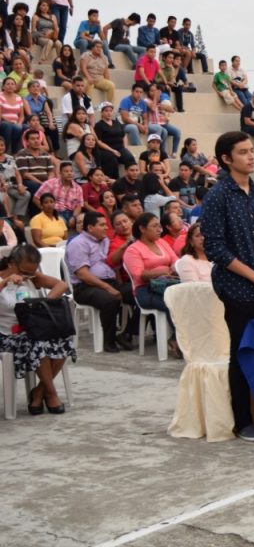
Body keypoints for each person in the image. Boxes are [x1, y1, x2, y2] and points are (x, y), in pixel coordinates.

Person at [202, 131, 254, 442]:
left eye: (252, 151)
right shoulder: (218, 195)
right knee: (242, 351)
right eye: (243, 152)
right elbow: (216, 249)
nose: (251, 157)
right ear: (226, 159)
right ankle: (242, 421)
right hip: (236, 286)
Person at [0, 245, 75, 414]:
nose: (27, 275)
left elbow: (62, 285)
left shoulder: (31, 277)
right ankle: (51, 394)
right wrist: (6, 282)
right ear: (12, 264)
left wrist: (44, 302)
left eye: (31, 272)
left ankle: (39, 392)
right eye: (24, 271)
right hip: (7, 334)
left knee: (64, 339)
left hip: (33, 328)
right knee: (39, 343)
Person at [66, 211, 133, 352]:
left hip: (108, 281)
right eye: (102, 225)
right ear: (90, 228)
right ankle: (109, 341)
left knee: (137, 292)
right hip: (85, 287)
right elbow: (83, 275)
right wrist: (108, 288)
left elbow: (111, 264)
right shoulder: (78, 244)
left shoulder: (105, 240)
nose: (106, 228)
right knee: (110, 300)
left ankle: (127, 333)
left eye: (106, 225)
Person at [123, 212, 181, 357]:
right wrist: (160, 271)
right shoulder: (133, 249)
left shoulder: (161, 242)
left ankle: (178, 339)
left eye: (159, 226)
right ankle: (177, 341)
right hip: (145, 289)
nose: (159, 230)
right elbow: (138, 274)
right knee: (172, 303)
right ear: (142, 229)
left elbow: (174, 260)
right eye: (154, 226)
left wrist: (173, 269)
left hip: (168, 284)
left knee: (186, 299)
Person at [93, 101, 135, 178]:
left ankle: (130, 179)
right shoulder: (99, 125)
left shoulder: (116, 123)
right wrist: (112, 151)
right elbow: (99, 142)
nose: (109, 113)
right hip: (106, 149)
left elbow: (124, 135)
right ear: (102, 113)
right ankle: (114, 182)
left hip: (120, 148)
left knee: (129, 158)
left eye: (110, 111)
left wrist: (125, 148)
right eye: (106, 111)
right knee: (112, 160)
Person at [145, 83, 180, 155]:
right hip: (152, 123)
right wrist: (155, 98)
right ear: (148, 92)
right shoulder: (146, 100)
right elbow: (153, 108)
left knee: (177, 132)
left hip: (162, 123)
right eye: (152, 91)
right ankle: (159, 151)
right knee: (163, 131)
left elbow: (172, 110)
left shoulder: (159, 101)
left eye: (155, 91)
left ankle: (174, 153)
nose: (154, 93)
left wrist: (163, 105)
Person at [0, 77, 27, 152]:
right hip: (3, 122)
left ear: (15, 86)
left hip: (15, 122)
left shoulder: (18, 98)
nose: (10, 86)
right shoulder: (0, 96)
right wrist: (8, 121)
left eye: (12, 84)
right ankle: (6, 151)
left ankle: (21, 152)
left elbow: (21, 116)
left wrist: (19, 123)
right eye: (8, 84)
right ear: (3, 86)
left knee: (26, 127)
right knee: (9, 126)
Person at [31, 0, 60, 64]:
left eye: (47, 6)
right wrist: (43, 35)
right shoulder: (35, 16)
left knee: (59, 43)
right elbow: (33, 31)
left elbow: (56, 28)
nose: (45, 7)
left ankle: (60, 60)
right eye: (43, 5)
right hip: (40, 36)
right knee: (49, 42)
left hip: (51, 36)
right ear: (39, 7)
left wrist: (53, 34)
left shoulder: (53, 16)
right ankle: (42, 59)